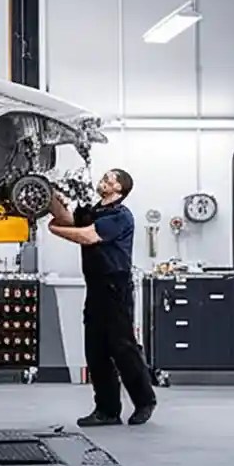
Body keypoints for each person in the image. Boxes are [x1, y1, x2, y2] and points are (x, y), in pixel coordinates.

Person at [47, 168, 157, 427]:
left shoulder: (120, 215)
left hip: (115, 288)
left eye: (111, 179)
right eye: (105, 176)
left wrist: (54, 231)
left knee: (123, 348)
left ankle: (144, 402)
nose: (104, 180)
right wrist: (48, 192)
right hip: (95, 287)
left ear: (120, 190)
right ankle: (107, 410)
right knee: (95, 351)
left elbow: (87, 236)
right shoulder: (95, 211)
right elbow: (68, 220)